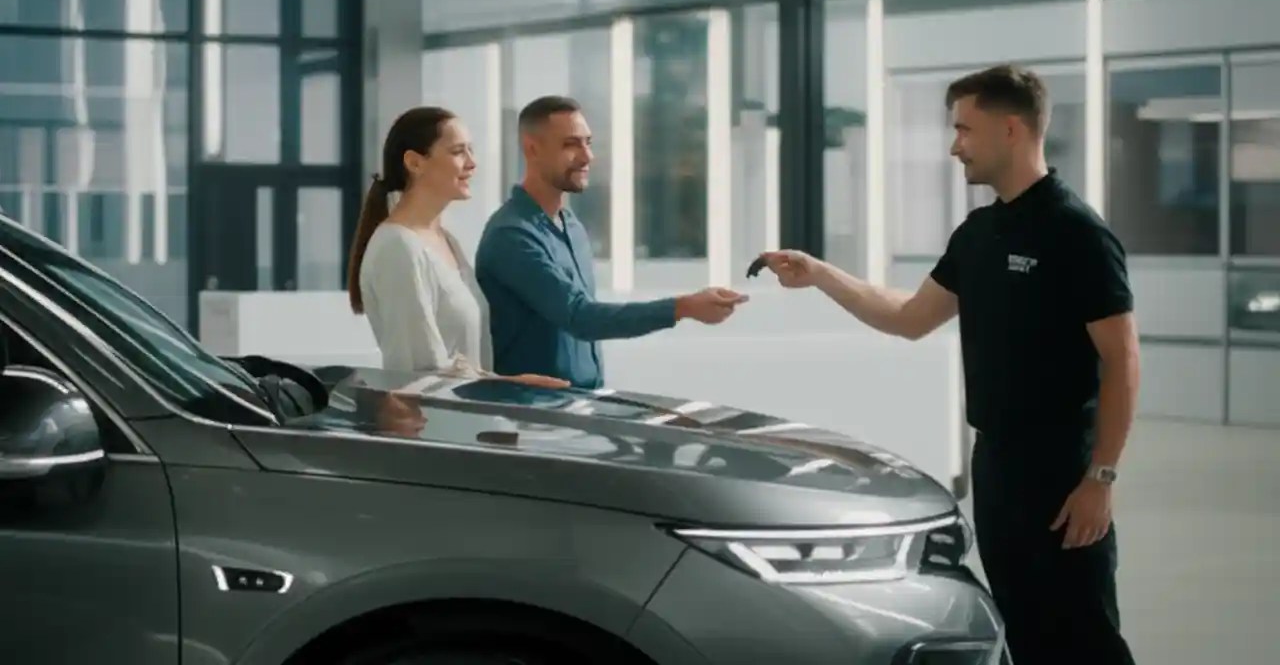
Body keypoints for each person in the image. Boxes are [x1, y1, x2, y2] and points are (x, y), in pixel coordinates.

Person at [758, 65, 1139, 665]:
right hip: (995, 464)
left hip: (1062, 471)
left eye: (964, 128)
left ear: (1011, 129)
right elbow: (909, 316)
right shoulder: (979, 232)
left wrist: (1101, 478)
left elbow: (1122, 361)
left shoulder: (1076, 233)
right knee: (1021, 628)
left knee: (1082, 636)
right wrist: (821, 275)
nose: (954, 144)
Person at [475, 95, 747, 389]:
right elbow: (581, 317)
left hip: (578, 410)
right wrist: (684, 307)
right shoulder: (512, 236)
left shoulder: (572, 226)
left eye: (587, 142)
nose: (587, 156)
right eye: (571, 144)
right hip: (531, 419)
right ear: (532, 149)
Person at [346, 106, 567, 389]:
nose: (472, 163)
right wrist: (512, 384)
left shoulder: (446, 240)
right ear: (415, 163)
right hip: (434, 426)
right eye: (458, 151)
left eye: (471, 150)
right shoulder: (398, 248)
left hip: (468, 424)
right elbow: (418, 372)